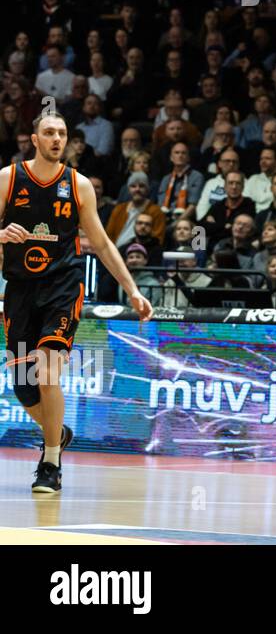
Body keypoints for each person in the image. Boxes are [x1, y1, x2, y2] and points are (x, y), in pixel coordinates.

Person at [0, 113, 153, 492]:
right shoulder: (8, 179)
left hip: (63, 288)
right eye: (49, 132)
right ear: (34, 138)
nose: (56, 139)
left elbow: (101, 243)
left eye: (62, 133)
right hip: (19, 289)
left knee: (48, 370)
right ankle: (57, 432)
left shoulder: (78, 184)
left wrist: (133, 289)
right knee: (24, 386)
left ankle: (50, 463)